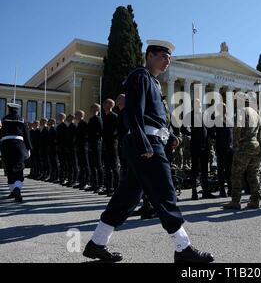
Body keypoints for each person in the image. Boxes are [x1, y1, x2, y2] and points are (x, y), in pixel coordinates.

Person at [83, 39, 214, 263]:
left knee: (127, 197)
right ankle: (183, 248)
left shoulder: (153, 83)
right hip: (145, 145)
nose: (167, 62)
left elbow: (153, 122)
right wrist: (143, 144)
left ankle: (97, 243)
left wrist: (169, 136)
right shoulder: (139, 76)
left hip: (149, 141)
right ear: (150, 55)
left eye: (170, 59)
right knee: (165, 191)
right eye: (163, 57)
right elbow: (134, 113)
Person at [223, 95, 261, 210]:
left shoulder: (241, 111)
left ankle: (235, 201)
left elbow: (237, 128)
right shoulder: (255, 113)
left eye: (235, 100)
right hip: (255, 145)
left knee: (236, 174)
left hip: (244, 146)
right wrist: (257, 140)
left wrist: (236, 141)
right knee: (254, 174)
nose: (234, 102)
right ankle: (255, 201)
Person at [0, 103, 32, 202]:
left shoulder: (4, 120)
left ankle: (13, 190)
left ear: (9, 109)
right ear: (17, 110)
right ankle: (17, 188)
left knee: (9, 168)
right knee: (18, 168)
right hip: (19, 146)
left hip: (6, 146)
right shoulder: (22, 120)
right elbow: (27, 135)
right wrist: (29, 148)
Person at [101, 99, 120, 196]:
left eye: (105, 103)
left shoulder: (114, 116)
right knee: (107, 167)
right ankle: (109, 187)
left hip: (112, 144)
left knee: (114, 167)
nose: (103, 105)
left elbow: (117, 131)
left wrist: (111, 138)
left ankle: (116, 188)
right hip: (106, 144)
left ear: (110, 105)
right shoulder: (105, 116)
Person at [87, 104, 104, 193]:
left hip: (96, 144)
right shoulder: (91, 119)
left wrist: (95, 139)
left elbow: (100, 131)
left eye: (93, 107)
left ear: (98, 109)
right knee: (92, 165)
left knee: (98, 164)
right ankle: (94, 184)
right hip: (91, 144)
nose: (92, 109)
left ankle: (100, 185)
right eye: (91, 107)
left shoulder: (98, 118)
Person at [74, 110, 90, 190]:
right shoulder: (79, 124)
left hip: (83, 147)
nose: (75, 116)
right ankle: (81, 182)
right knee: (81, 165)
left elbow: (86, 135)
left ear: (80, 115)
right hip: (79, 147)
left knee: (85, 165)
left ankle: (86, 182)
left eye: (76, 114)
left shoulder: (84, 124)